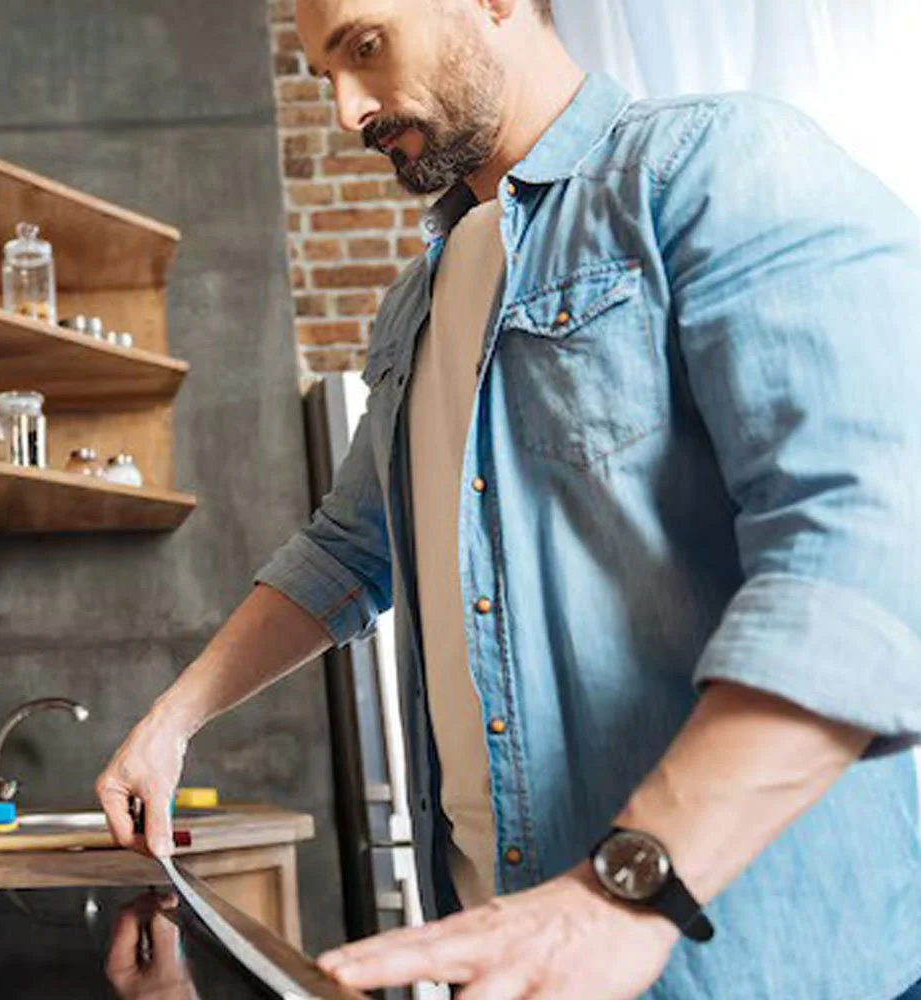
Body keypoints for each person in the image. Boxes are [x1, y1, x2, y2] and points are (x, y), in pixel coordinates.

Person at [95, 0, 921, 996]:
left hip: (749, 963)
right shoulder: (418, 300)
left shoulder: (716, 167)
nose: (348, 110)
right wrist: (170, 722)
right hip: (508, 957)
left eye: (364, 47)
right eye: (324, 77)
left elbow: (862, 565)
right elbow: (349, 547)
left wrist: (626, 889)